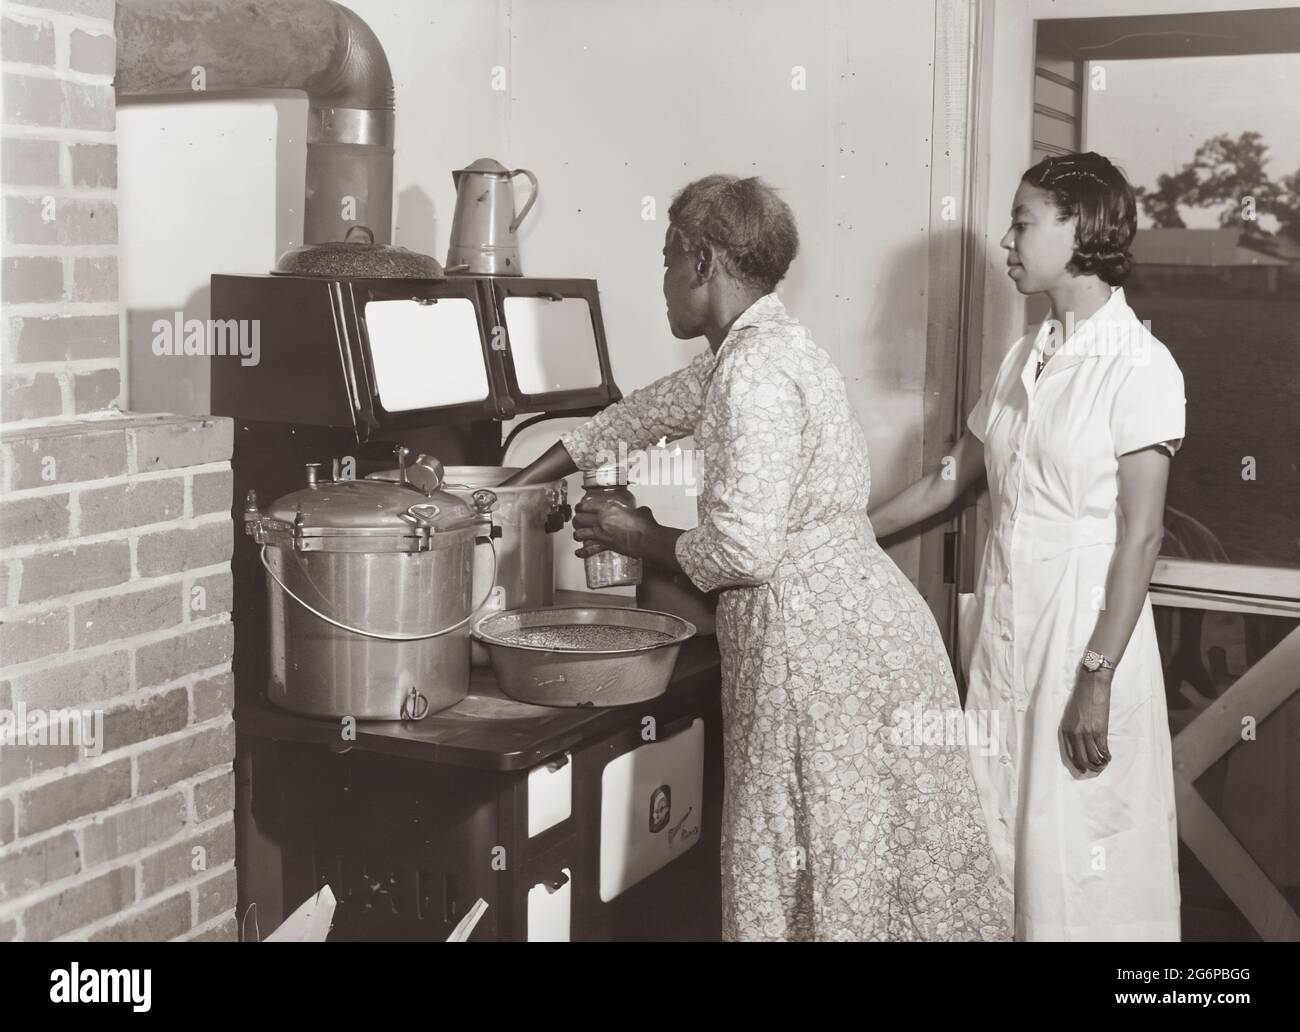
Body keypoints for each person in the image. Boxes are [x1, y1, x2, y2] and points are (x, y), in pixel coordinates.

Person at [503, 174, 1009, 941]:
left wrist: (634, 532)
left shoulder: (755, 372)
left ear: (703, 261)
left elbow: (743, 547)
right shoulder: (761, 347)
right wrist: (516, 486)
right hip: (862, 635)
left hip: (815, 655)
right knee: (874, 866)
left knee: (814, 857)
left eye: (668, 258)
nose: (663, 279)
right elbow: (639, 415)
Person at [869, 152, 1185, 940]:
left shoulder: (1141, 365)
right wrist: (844, 530)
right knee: (1001, 841)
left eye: (1023, 221)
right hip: (1010, 632)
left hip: (1084, 637)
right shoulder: (1024, 356)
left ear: (1081, 227)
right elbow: (951, 479)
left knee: (1083, 859)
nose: (1008, 240)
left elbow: (1140, 537)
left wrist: (1097, 676)